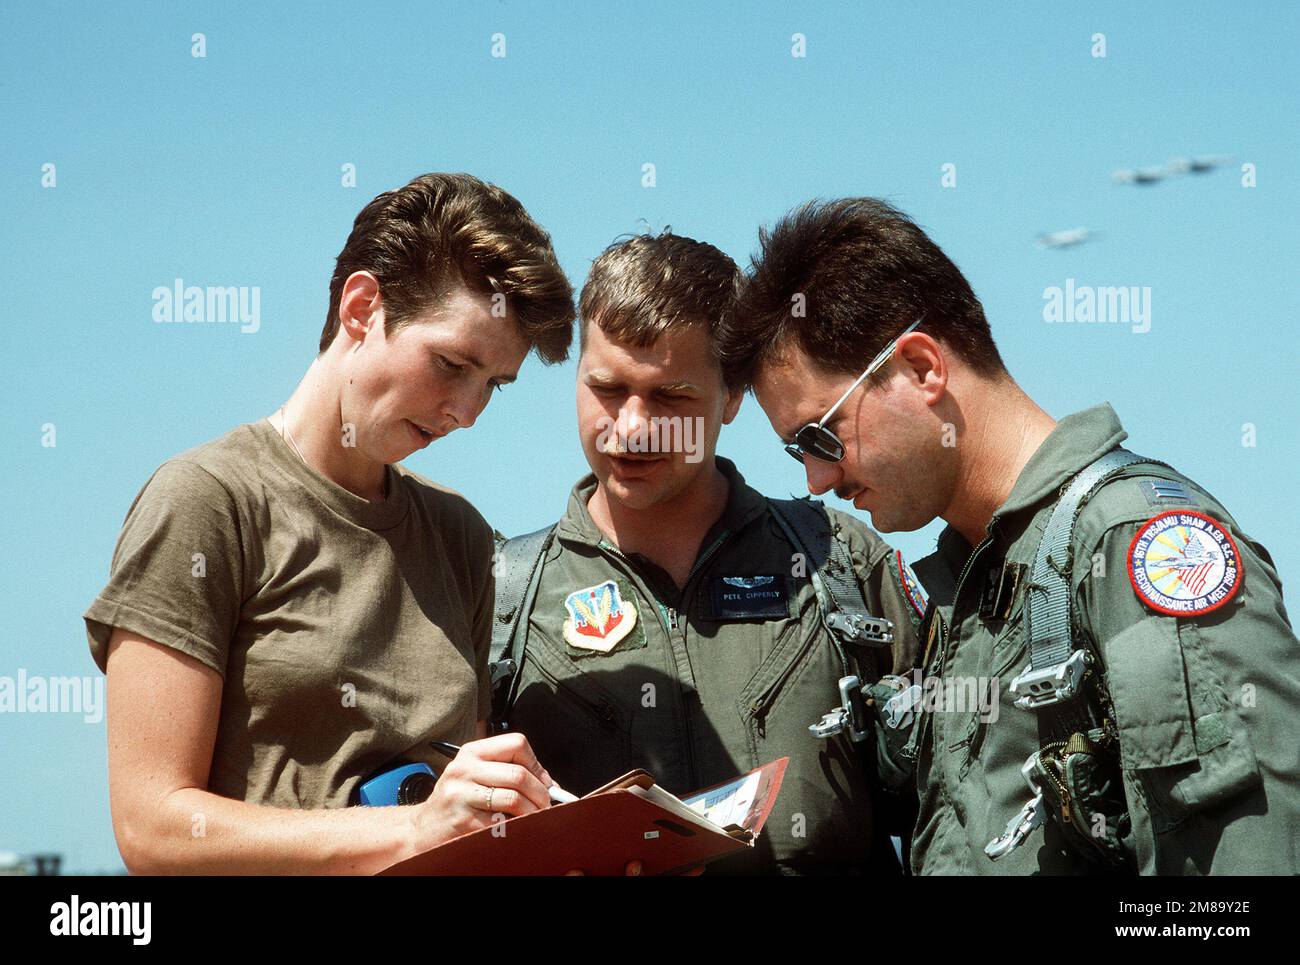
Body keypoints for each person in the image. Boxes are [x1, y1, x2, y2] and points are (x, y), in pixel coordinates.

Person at [717, 197, 1300, 875]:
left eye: (820, 436)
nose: (817, 480)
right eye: (798, 455)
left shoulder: (1135, 552)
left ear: (922, 367)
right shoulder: (967, 598)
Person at [83, 173, 576, 874]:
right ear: (362, 306)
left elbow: (459, 823)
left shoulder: (460, 535)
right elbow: (152, 825)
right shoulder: (207, 502)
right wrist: (411, 829)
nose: (466, 412)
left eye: (493, 385)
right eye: (452, 364)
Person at [495, 232, 924, 875]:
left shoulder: (840, 565)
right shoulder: (502, 599)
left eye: (671, 397)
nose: (633, 427)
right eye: (607, 389)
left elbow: (956, 803)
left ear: (731, 398)